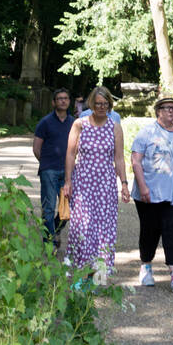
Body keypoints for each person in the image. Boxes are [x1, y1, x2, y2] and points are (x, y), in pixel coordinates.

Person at [62, 86, 128, 284]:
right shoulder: (79, 124)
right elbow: (70, 154)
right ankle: (80, 272)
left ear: (109, 105)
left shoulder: (114, 127)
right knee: (82, 226)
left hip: (105, 185)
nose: (101, 107)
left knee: (104, 228)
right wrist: (68, 181)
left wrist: (124, 183)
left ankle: (100, 275)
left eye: (105, 104)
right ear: (91, 104)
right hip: (83, 183)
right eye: (98, 103)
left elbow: (119, 158)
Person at [129, 96, 173, 294]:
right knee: (150, 230)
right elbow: (136, 161)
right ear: (158, 111)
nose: (171, 111)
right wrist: (143, 187)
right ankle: (146, 267)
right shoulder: (146, 132)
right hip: (150, 192)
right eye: (166, 108)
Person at [32, 87, 76, 250]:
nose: (63, 101)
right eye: (60, 98)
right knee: (49, 208)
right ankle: (49, 241)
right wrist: (46, 164)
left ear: (69, 101)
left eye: (66, 98)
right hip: (49, 171)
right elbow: (36, 148)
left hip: (68, 172)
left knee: (69, 208)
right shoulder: (45, 122)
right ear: (54, 102)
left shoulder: (74, 123)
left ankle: (55, 230)